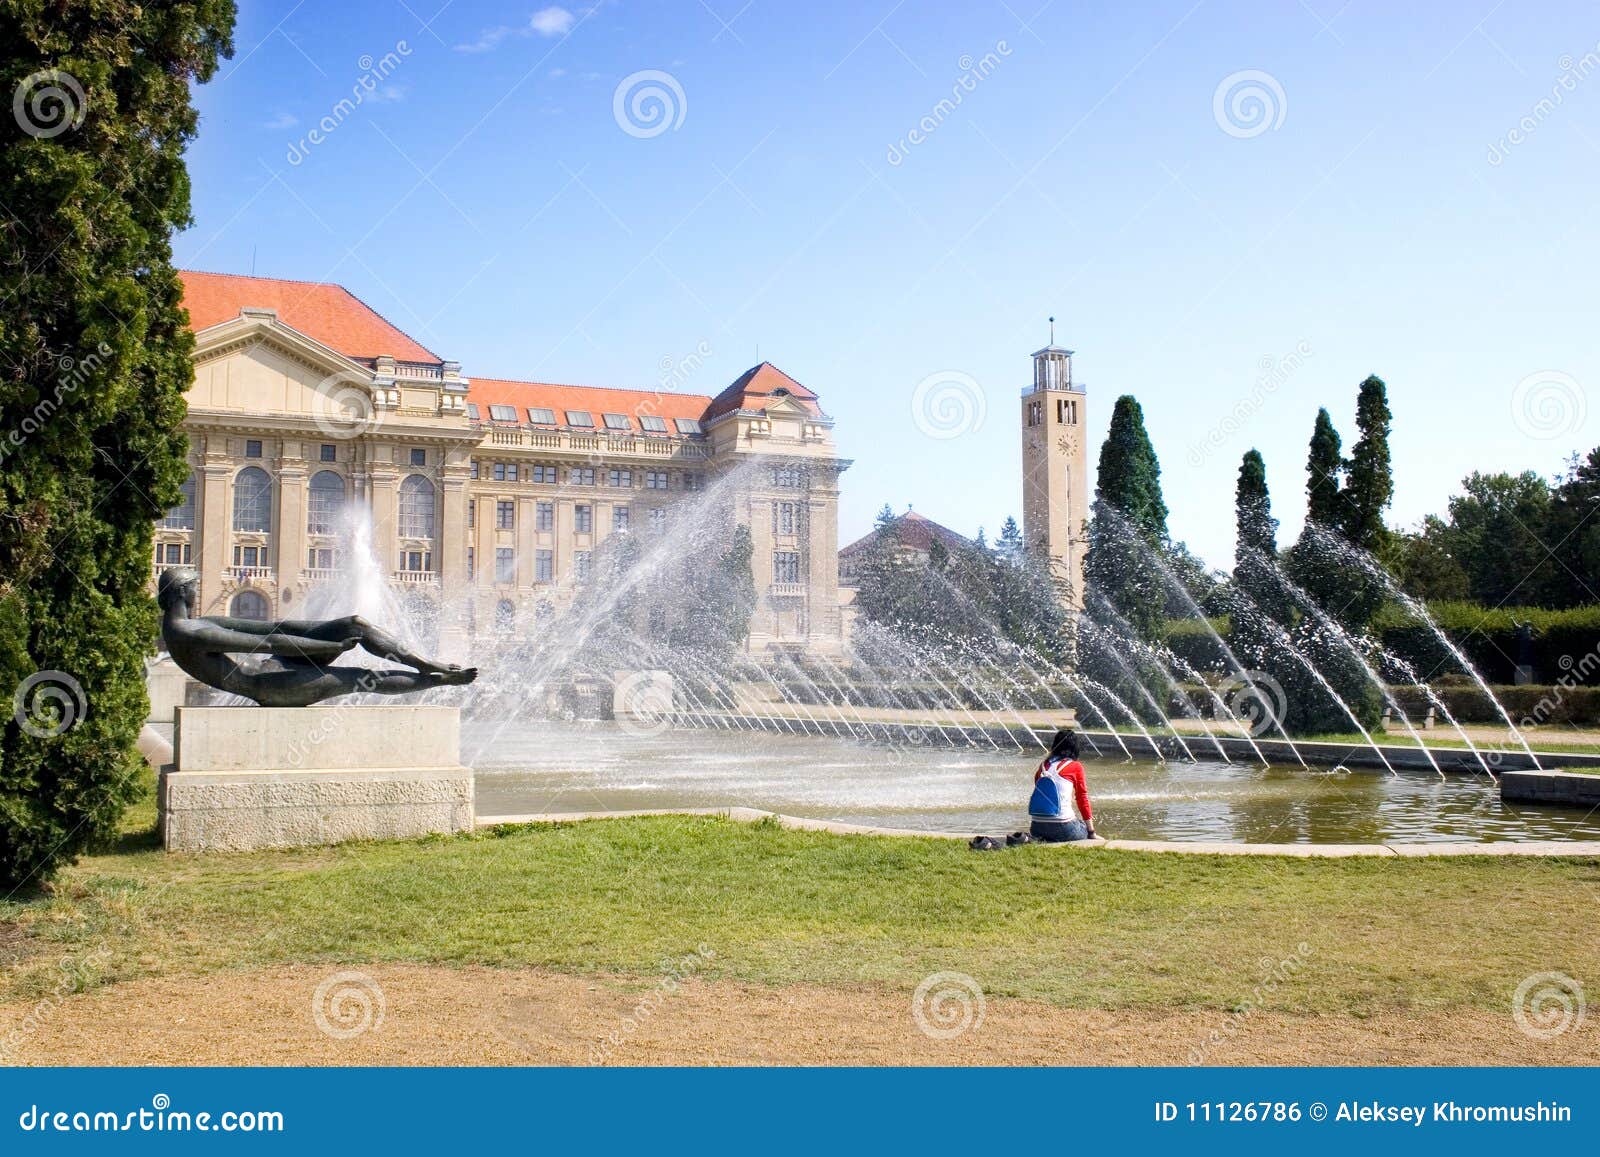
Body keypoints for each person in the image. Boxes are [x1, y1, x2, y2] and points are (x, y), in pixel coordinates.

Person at [158, 567, 475, 707]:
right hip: (272, 687)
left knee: (355, 623)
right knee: (364, 677)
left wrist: (328, 628)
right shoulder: (187, 633)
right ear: (183, 592)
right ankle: (441, 681)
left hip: (276, 668)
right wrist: (333, 646)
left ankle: (427, 664)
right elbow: (270, 644)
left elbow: (274, 629)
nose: (197, 591)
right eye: (194, 586)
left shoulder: (200, 622)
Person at [1028, 728, 1095, 842]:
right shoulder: (1075, 766)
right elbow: (1082, 798)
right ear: (1075, 748)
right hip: (1063, 828)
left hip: (1036, 828)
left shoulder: (1043, 766)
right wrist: (1091, 832)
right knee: (1081, 825)